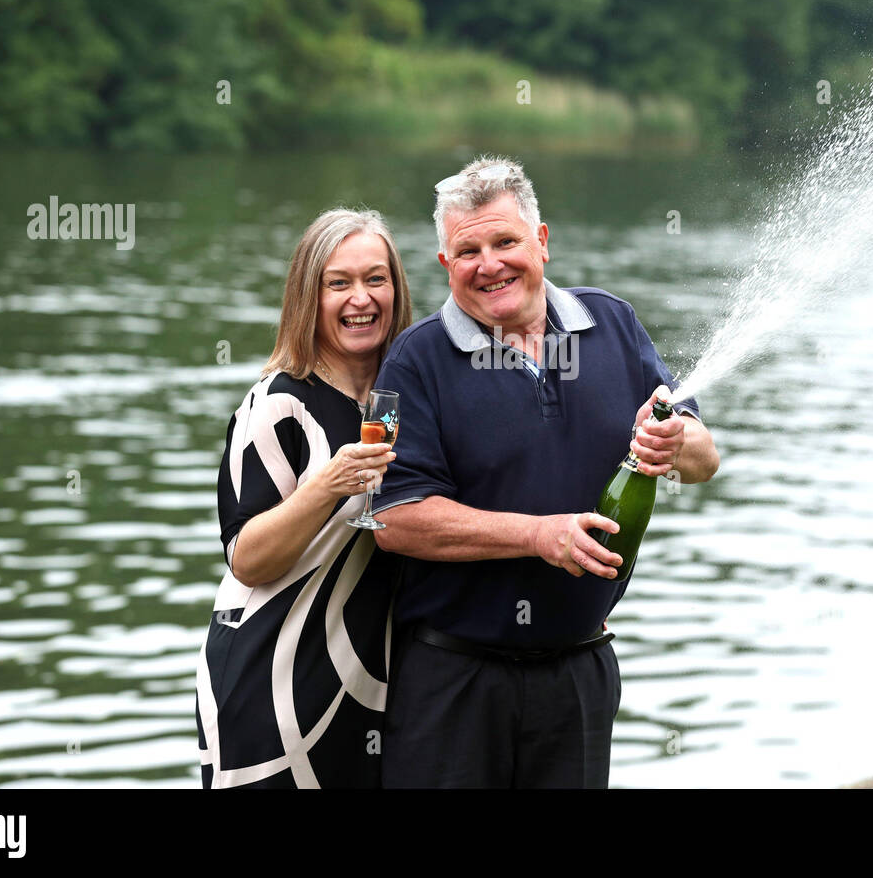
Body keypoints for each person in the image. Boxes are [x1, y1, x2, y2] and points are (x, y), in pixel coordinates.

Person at [371, 157, 719, 788]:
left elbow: (703, 459)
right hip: (452, 682)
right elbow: (393, 520)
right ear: (446, 265)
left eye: (506, 241)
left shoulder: (613, 323)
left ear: (542, 242)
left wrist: (677, 441)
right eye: (467, 250)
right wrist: (537, 535)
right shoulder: (409, 362)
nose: (490, 264)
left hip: (580, 673)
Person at [195, 208, 412, 788]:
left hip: (372, 679)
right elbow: (247, 558)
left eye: (376, 279)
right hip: (274, 678)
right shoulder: (277, 402)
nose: (360, 298)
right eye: (337, 283)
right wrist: (327, 485)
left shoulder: (406, 398)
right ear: (306, 298)